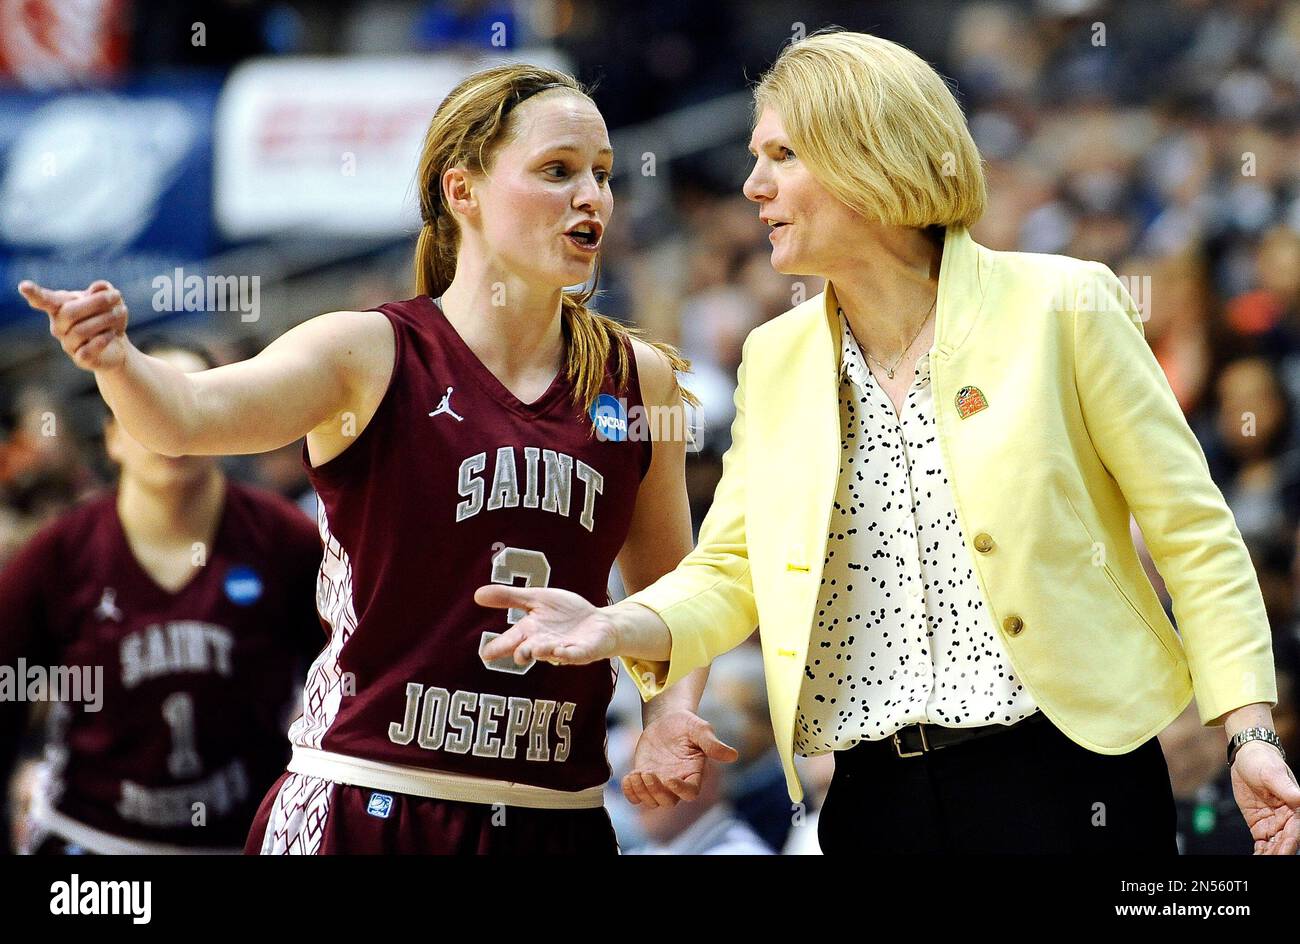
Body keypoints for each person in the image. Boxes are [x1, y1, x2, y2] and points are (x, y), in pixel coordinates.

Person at [476, 31, 1300, 854]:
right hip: (876, 798)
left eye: (781, 155)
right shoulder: (777, 356)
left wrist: (1248, 731)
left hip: (1070, 776)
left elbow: (1191, 530)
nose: (752, 185)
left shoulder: (1064, 303)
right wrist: (618, 623)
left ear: (870, 158)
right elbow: (731, 567)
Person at [18, 63, 730, 855]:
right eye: (557, 172)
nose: (591, 195)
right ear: (463, 192)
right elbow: (188, 418)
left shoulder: (638, 378)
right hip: (371, 799)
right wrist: (117, 360)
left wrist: (670, 717)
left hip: (555, 815)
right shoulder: (369, 351)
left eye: (601, 174)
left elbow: (676, 593)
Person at [0, 338, 323, 854]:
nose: (166, 425)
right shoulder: (58, 555)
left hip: (248, 840)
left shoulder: (286, 542)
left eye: (183, 400)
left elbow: (354, 684)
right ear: (111, 437)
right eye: (144, 404)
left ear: (223, 424)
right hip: (91, 840)